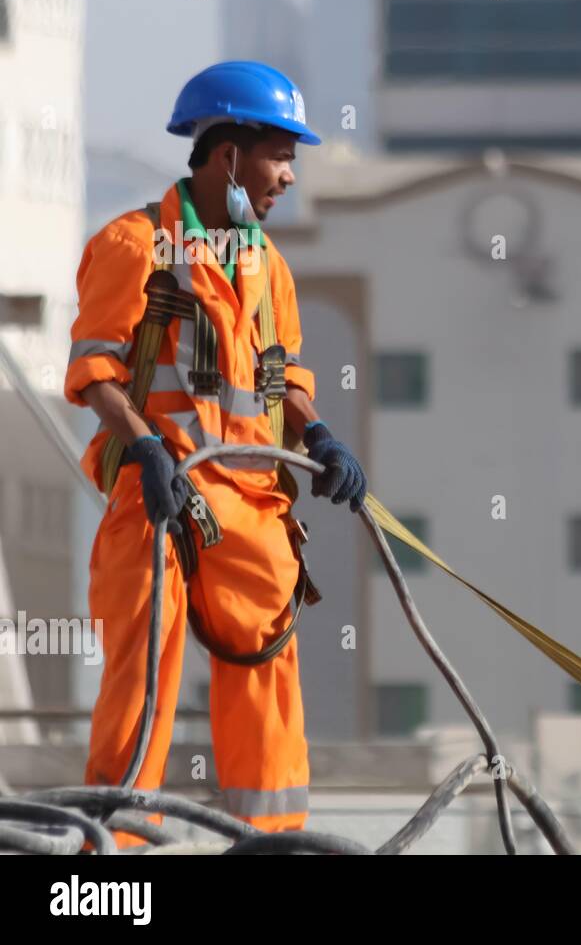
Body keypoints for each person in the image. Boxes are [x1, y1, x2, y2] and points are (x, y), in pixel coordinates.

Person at [64, 60, 366, 848]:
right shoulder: (135, 245)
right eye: (280, 156)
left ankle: (274, 842)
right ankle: (115, 859)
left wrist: (320, 436)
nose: (289, 176)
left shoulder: (269, 269)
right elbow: (95, 373)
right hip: (159, 498)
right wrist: (145, 449)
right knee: (141, 686)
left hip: (255, 509)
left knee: (268, 695)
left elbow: (284, 380)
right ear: (228, 155)